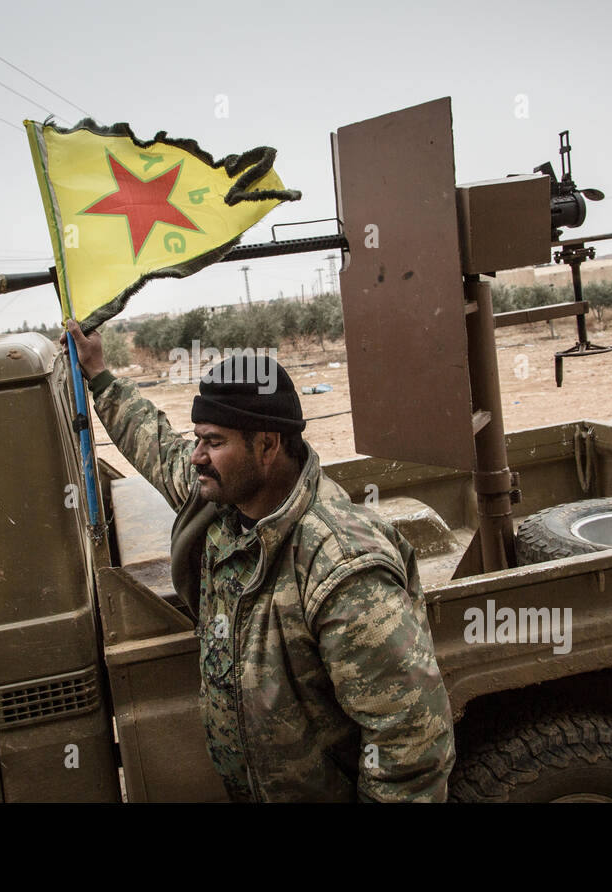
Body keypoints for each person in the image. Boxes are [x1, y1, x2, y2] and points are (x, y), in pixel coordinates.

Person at [64, 319, 455, 802]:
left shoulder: (342, 566)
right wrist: (99, 374)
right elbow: (158, 447)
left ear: (267, 445)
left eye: (213, 441)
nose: (196, 457)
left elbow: (410, 743)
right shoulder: (225, 502)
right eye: (198, 439)